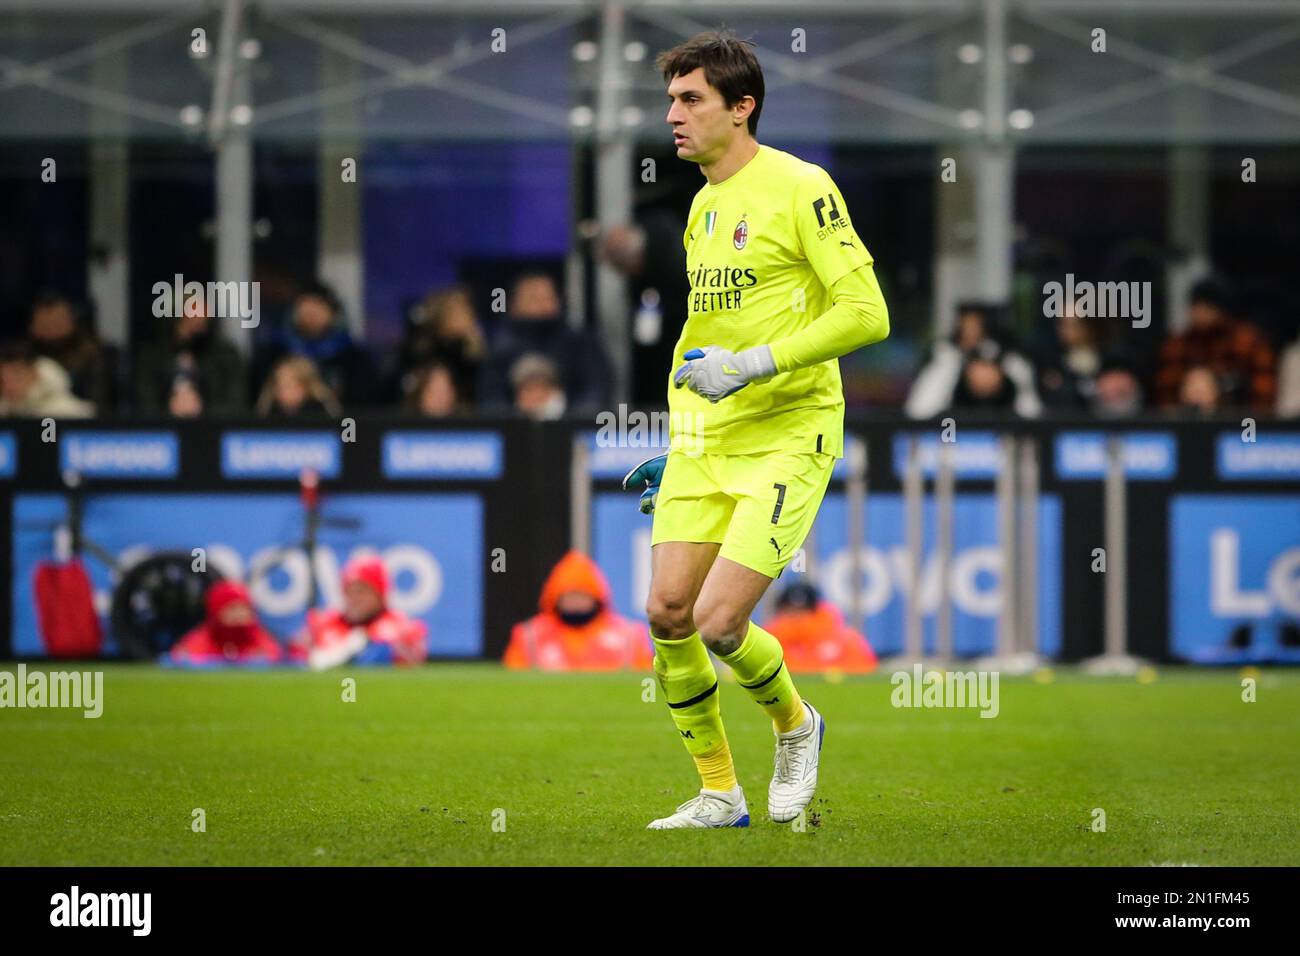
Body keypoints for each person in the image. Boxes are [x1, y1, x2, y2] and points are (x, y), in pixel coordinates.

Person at [625, 30, 889, 830]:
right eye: (671, 98)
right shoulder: (702, 205)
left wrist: (757, 364)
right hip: (706, 441)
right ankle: (718, 794)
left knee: (718, 622)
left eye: (690, 98)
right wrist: (677, 445)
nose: (672, 114)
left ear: (742, 109)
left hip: (788, 430)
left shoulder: (803, 187)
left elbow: (867, 315)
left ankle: (796, 725)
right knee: (667, 613)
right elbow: (700, 334)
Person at [477, 272, 611, 413]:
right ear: (515, 305)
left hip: (571, 428)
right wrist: (516, 419)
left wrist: (570, 420)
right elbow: (491, 398)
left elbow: (597, 388)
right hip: (515, 429)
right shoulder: (500, 348)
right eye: (533, 298)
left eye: (547, 297)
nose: (542, 304)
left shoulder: (580, 343)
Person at [502, 551, 652, 671]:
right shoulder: (529, 636)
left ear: (596, 597)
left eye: (581, 595)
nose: (575, 602)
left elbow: (643, 678)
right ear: (554, 597)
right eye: (569, 595)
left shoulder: (629, 637)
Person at [1154, 277, 1275, 411]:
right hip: (1186, 421)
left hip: (1238, 420)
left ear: (1220, 309)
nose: (1200, 312)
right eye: (1196, 307)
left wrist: (1219, 385)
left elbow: (1264, 393)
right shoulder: (1178, 344)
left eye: (1207, 307)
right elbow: (1164, 392)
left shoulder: (1246, 341)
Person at [905, 303, 1041, 418]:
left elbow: (1031, 413)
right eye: (965, 329)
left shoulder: (1010, 362)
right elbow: (918, 411)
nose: (970, 335)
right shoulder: (946, 359)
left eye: (977, 329)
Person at [294, 556, 427, 670]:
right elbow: (293, 663)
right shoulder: (323, 624)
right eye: (350, 591)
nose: (355, 599)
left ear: (379, 595)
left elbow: (411, 661)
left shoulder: (399, 627)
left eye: (362, 592)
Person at [257, 282, 372, 405]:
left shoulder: (353, 359)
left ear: (333, 313)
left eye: (317, 305)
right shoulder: (274, 354)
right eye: (304, 305)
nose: (310, 312)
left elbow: (363, 405)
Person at [134, 295, 246, 416]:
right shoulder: (152, 355)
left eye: (204, 310)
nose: (200, 316)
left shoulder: (225, 355)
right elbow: (143, 401)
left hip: (212, 427)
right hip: (161, 428)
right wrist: (168, 409)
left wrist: (203, 409)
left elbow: (235, 403)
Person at [761, 583, 877, 674]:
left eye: (803, 611)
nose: (797, 617)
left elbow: (863, 669)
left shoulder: (842, 639)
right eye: (791, 611)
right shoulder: (770, 641)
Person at [169, 580, 283, 667]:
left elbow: (272, 655)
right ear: (216, 612)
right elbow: (183, 657)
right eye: (232, 608)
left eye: (244, 608)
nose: (239, 615)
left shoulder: (259, 639)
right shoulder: (201, 640)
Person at [0, 340, 95, 418]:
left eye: (17, 376)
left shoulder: (69, 413)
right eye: (2, 380)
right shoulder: (5, 411)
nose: (9, 386)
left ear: (35, 374)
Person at [255, 356, 341, 419]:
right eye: (278, 386)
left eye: (289, 385)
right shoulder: (267, 414)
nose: (282, 391)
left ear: (306, 387)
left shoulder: (322, 415)